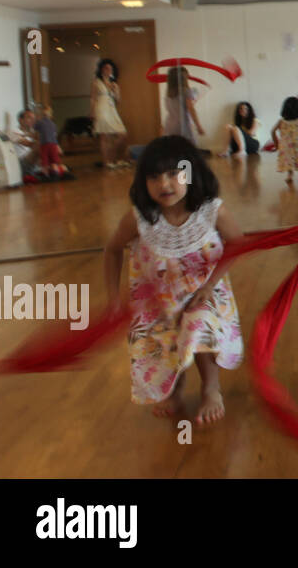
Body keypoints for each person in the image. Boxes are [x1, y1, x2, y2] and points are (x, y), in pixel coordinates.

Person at [102, 135, 244, 425]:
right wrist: (113, 299)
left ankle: (210, 387)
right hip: (159, 300)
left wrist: (209, 284)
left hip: (205, 294)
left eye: (173, 174)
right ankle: (176, 387)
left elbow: (238, 244)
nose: (164, 185)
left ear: (190, 173)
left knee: (198, 325)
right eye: (154, 177)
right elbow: (112, 250)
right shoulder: (139, 219)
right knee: (168, 344)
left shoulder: (212, 211)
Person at [91, 58, 130, 169]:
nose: (108, 70)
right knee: (105, 136)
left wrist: (115, 90)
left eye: (110, 69)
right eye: (106, 68)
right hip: (101, 108)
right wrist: (92, 112)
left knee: (122, 134)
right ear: (101, 69)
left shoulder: (114, 84)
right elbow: (93, 98)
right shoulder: (96, 82)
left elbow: (118, 100)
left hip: (112, 109)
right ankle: (107, 162)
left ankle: (113, 158)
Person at [162, 66, 204, 146]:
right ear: (184, 78)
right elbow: (191, 109)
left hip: (170, 125)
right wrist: (198, 126)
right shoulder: (187, 91)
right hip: (183, 125)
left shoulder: (168, 94)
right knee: (188, 148)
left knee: (174, 147)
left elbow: (178, 107)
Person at [274, 97, 298, 185]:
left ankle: (290, 175)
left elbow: (273, 131)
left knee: (289, 160)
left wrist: (277, 143)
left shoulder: (282, 121)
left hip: (286, 146)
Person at [33, 106, 73, 179]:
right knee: (54, 161)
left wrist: (36, 118)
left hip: (44, 144)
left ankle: (46, 175)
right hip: (53, 144)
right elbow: (54, 136)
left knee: (45, 161)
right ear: (51, 115)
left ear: (42, 114)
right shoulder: (53, 124)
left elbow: (34, 127)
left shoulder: (40, 122)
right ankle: (56, 173)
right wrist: (58, 146)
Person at [7, 108, 42, 180]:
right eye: (29, 117)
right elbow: (30, 144)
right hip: (20, 164)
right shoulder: (11, 132)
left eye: (33, 118)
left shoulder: (32, 133)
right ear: (20, 120)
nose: (33, 120)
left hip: (32, 163)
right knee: (40, 145)